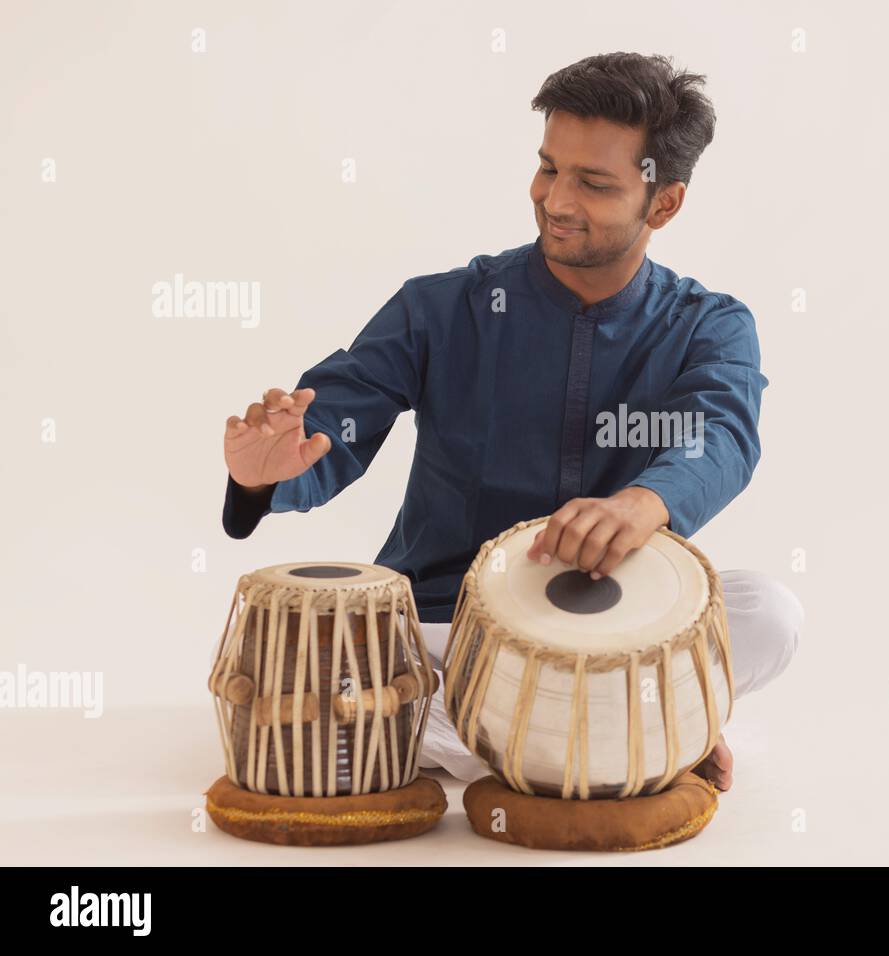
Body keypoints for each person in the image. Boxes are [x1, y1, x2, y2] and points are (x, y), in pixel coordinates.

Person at [220, 52, 802, 791]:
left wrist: (643, 503)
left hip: (615, 631)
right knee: (329, 668)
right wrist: (263, 476)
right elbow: (337, 417)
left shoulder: (708, 325)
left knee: (769, 613)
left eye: (593, 183)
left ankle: (513, 746)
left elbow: (719, 434)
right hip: (438, 633)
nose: (555, 198)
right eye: (548, 167)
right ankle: (637, 741)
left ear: (664, 203)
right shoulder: (442, 305)